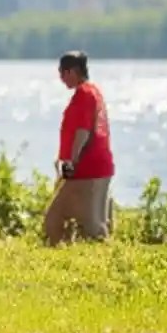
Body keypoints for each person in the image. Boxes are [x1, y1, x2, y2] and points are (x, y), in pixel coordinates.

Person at [44, 51, 115, 246]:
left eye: (62, 72)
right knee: (86, 219)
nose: (60, 78)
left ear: (73, 71)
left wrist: (71, 164)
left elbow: (83, 132)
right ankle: (71, 256)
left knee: (60, 219)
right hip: (98, 166)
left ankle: (106, 257)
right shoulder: (93, 92)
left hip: (87, 168)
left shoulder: (84, 94)